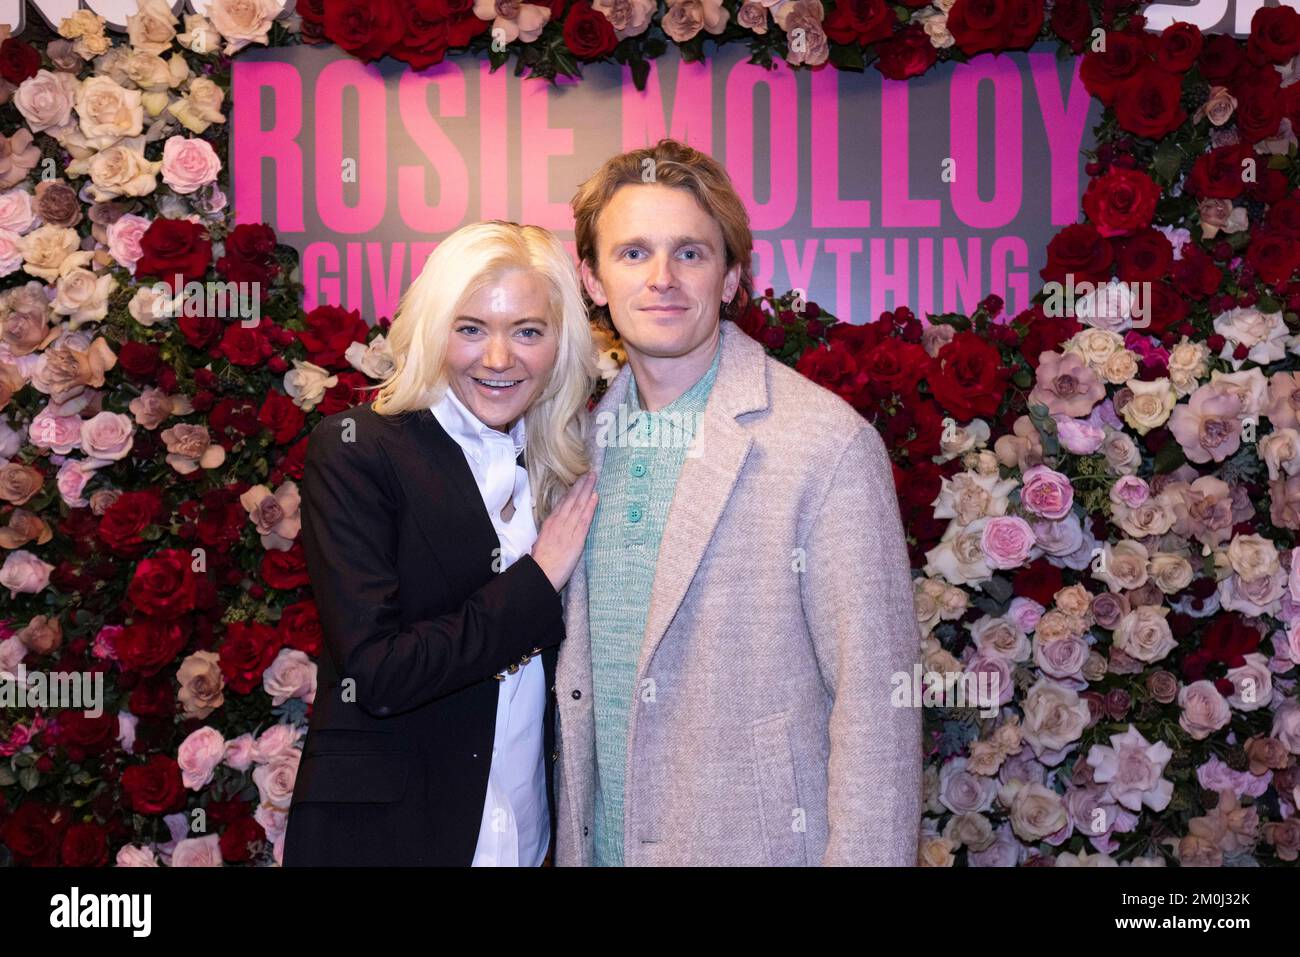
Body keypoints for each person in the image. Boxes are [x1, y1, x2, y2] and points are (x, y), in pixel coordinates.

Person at [552, 139, 923, 866]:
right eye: (632, 254)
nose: (662, 279)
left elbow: (879, 703)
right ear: (592, 280)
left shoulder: (825, 443)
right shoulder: (574, 446)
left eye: (690, 252)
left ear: (730, 278)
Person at [282, 221, 598, 866]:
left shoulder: (569, 464)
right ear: (432, 331)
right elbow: (380, 672)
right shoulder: (360, 451)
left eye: (529, 331)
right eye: (471, 328)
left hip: (534, 829)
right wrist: (538, 580)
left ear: (561, 344)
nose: (499, 358)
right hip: (396, 837)